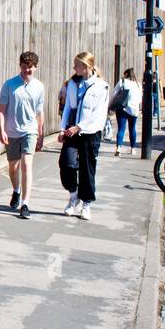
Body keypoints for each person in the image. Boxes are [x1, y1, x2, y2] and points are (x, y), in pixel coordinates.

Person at [58, 52, 110, 221]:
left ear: (86, 66)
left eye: (76, 65)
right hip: (71, 131)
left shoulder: (101, 86)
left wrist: (79, 126)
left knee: (88, 169)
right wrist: (61, 129)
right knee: (66, 163)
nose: (74, 68)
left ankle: (86, 203)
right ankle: (74, 196)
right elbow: (68, 108)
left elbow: (98, 113)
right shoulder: (72, 83)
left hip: (90, 132)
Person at [0, 50, 46, 220]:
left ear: (36, 68)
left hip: (30, 130)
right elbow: (1, 110)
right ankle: (16, 190)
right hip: (11, 131)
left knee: (26, 163)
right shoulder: (10, 85)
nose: (27, 70)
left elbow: (39, 112)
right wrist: (2, 130)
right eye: (25, 67)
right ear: (20, 66)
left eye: (30, 67)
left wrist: (41, 134)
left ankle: (25, 203)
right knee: (13, 167)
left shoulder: (39, 87)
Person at [111, 68, 142, 157]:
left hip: (123, 108)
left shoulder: (122, 82)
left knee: (121, 128)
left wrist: (112, 105)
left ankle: (118, 148)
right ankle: (133, 149)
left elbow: (114, 93)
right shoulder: (138, 84)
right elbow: (140, 98)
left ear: (125, 74)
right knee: (132, 129)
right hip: (134, 109)